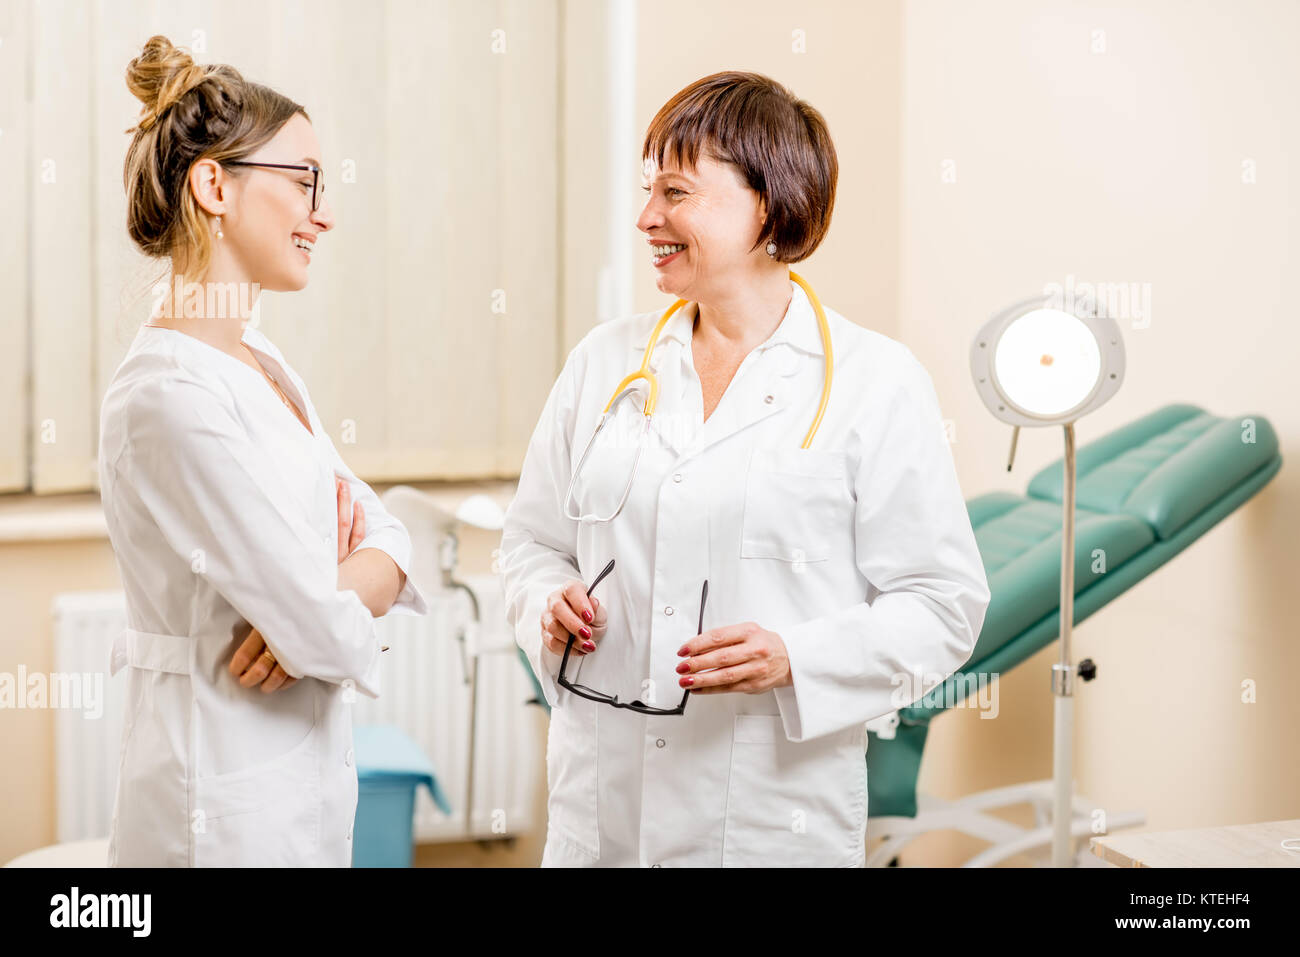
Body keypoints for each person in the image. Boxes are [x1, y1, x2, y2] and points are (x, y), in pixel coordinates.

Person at [499, 71, 991, 867]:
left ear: (768, 204)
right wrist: (542, 604)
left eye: (676, 191)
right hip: (603, 806)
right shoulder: (604, 362)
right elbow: (529, 545)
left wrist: (797, 656)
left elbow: (943, 604)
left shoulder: (876, 381)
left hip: (770, 819)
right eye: (647, 188)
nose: (646, 217)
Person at [99, 35, 426, 867]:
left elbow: (391, 538)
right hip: (214, 810)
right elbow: (322, 626)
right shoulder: (166, 395)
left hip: (294, 790)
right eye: (304, 179)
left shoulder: (260, 359)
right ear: (214, 184)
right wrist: (320, 605)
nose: (324, 212)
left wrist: (321, 594)